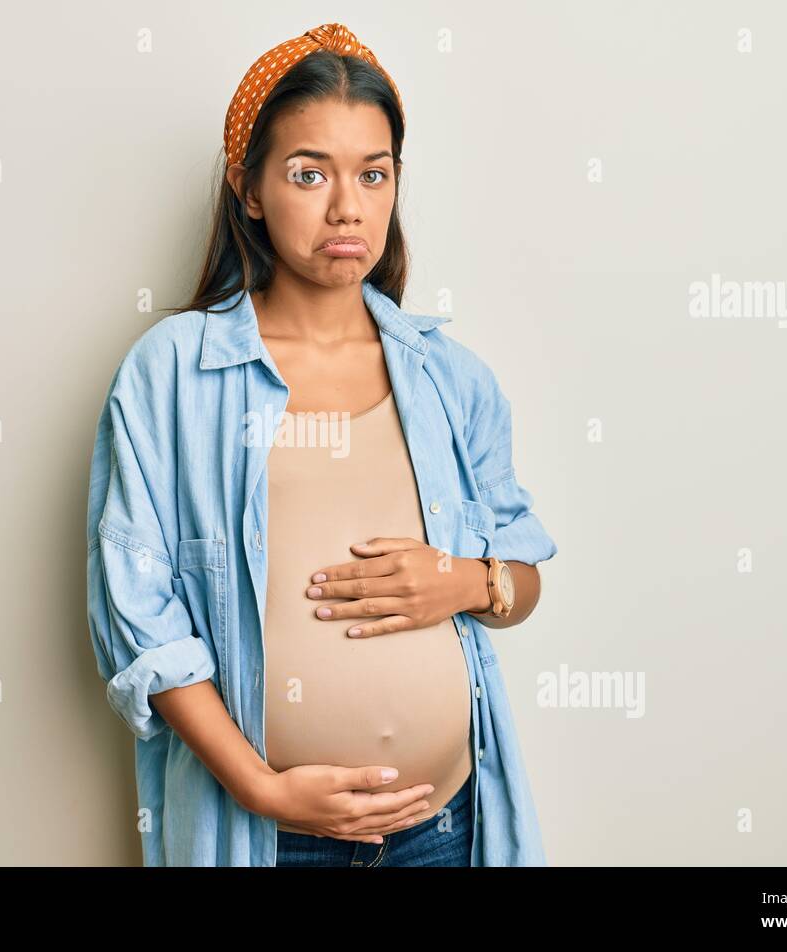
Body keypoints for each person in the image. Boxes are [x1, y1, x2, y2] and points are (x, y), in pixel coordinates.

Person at [86, 22, 558, 867]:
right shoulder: (173, 374)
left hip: (443, 832)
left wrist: (459, 579)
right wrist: (261, 789)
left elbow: (521, 582)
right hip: (267, 838)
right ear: (250, 188)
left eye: (373, 175)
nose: (348, 207)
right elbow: (138, 618)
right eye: (311, 174)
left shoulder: (453, 377)